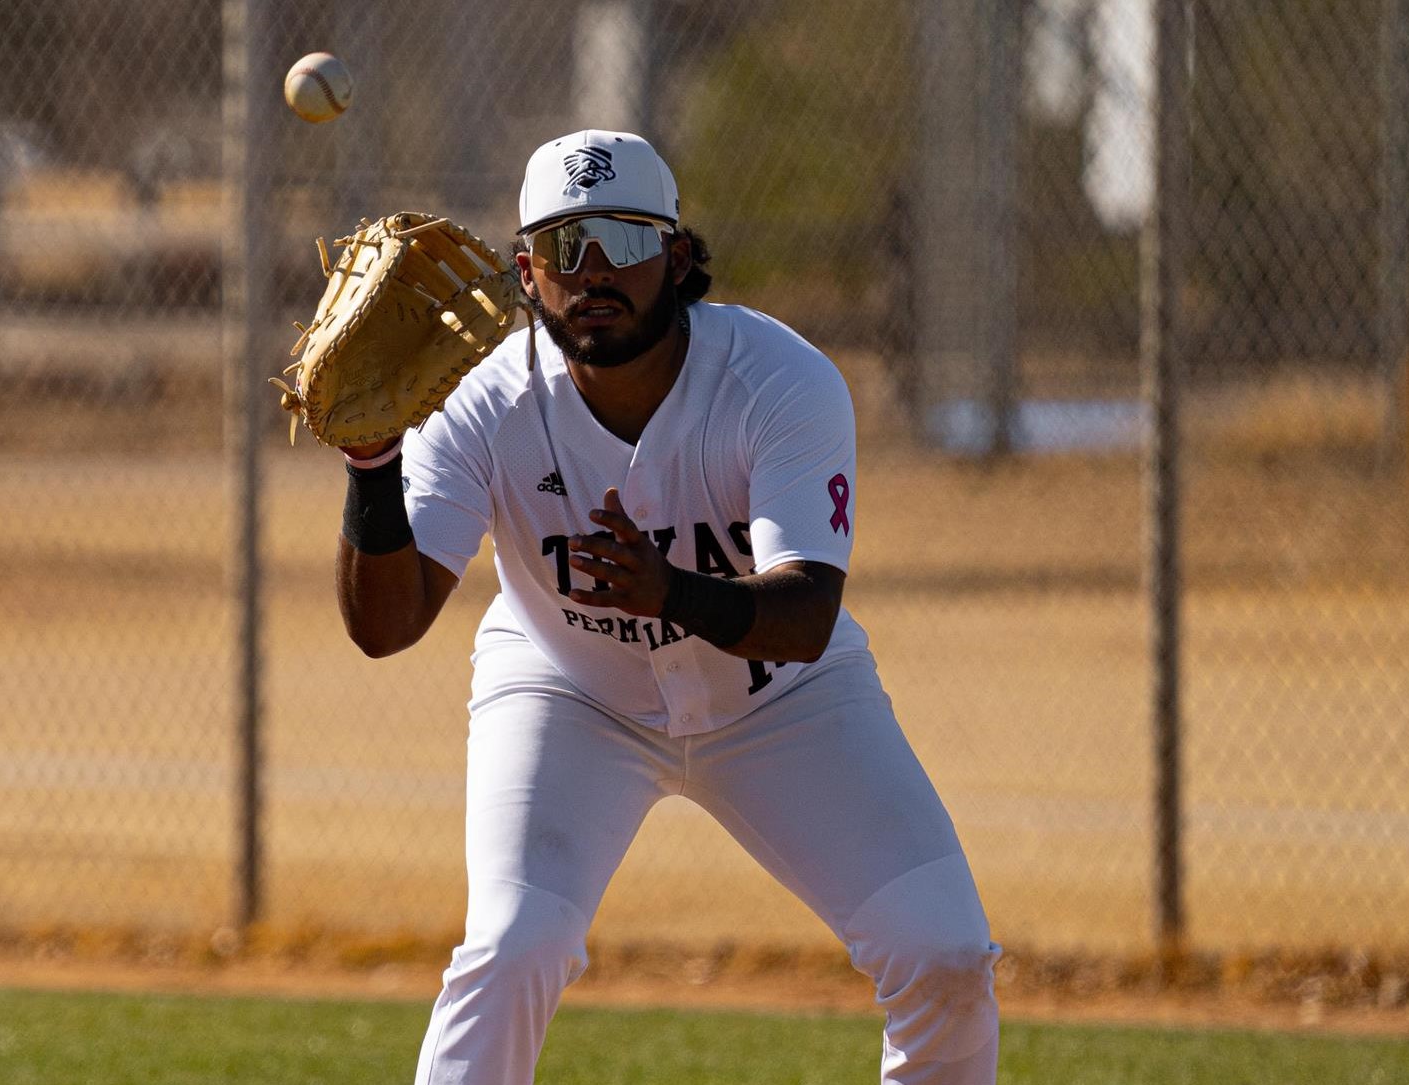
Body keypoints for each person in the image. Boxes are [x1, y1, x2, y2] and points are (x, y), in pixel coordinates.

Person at [334, 130, 1001, 1085]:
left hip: (785, 695)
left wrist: (671, 592)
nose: (593, 268)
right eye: (564, 246)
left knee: (945, 954)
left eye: (622, 237)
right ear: (526, 274)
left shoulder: (779, 381)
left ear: (678, 258)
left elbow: (808, 616)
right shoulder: (483, 405)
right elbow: (384, 627)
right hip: (568, 691)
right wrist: (371, 469)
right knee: (513, 945)